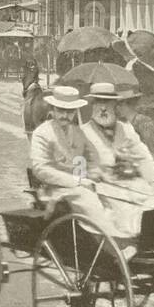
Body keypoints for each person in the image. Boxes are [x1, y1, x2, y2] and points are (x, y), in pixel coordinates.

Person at [81, 82, 154, 239]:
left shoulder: (126, 129)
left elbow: (143, 157)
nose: (103, 108)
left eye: (107, 103)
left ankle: (153, 245)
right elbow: (77, 173)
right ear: (93, 105)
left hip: (134, 186)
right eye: (99, 102)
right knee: (128, 215)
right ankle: (128, 246)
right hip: (105, 192)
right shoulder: (83, 133)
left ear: (115, 105)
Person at [29, 85, 111, 230]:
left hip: (82, 185)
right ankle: (112, 244)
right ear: (53, 110)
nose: (65, 116)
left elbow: (92, 158)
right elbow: (40, 169)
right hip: (54, 190)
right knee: (89, 199)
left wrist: (95, 172)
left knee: (115, 195)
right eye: (61, 110)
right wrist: (77, 181)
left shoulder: (78, 132)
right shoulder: (42, 133)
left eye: (70, 111)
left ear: (75, 112)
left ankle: (128, 236)